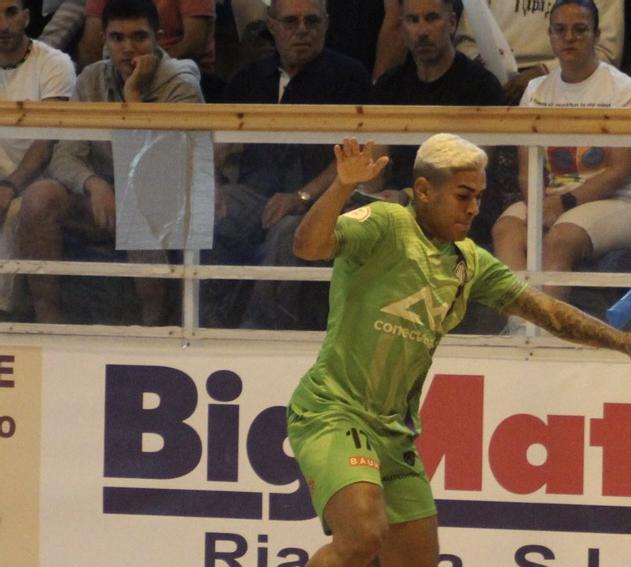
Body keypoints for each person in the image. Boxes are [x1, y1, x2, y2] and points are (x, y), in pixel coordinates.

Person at [242, 134, 631, 567]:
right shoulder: (384, 223)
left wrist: (626, 339)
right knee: (362, 532)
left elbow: (544, 310)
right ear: (423, 190)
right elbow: (308, 244)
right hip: (332, 410)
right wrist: (342, 185)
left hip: (393, 432)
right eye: (462, 195)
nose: (473, 208)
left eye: (479, 196)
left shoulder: (468, 263)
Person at [18, 0, 202, 325]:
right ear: (103, 38)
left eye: (139, 37)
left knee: (139, 206)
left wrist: (133, 99)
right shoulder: (90, 79)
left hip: (166, 203)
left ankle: (152, 327)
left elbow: (163, 170)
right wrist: (94, 183)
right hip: (105, 201)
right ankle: (49, 323)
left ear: (158, 38)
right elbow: (65, 154)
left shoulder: (181, 81)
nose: (128, 48)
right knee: (39, 197)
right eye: (117, 38)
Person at [209, 0, 371, 329]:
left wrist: (301, 197)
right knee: (206, 213)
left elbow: (357, 154)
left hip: (322, 201)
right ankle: (201, 326)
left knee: (288, 232)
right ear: (272, 25)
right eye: (291, 21)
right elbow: (218, 146)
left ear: (326, 24)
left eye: (311, 21)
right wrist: (210, 187)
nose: (301, 30)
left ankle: (256, 334)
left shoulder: (349, 77)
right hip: (256, 196)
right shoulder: (248, 79)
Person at [490, 0, 631, 300]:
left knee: (560, 238)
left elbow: (621, 171)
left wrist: (563, 204)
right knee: (506, 229)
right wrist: (538, 205)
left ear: (597, 35)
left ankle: (547, 332)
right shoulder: (535, 90)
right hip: (550, 199)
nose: (569, 38)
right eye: (560, 30)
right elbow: (527, 169)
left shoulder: (624, 90)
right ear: (549, 36)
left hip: (619, 202)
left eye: (580, 30)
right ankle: (519, 326)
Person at [368, 0, 504, 204]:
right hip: (394, 208)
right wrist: (367, 197)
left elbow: (474, 169)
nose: (422, 31)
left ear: (451, 23)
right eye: (413, 20)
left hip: (460, 207)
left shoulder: (481, 86)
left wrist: (408, 196)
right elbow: (372, 170)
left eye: (431, 18)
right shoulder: (388, 86)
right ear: (402, 27)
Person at [0, 0, 74, 321]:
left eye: (10, 12)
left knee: (18, 209)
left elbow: (48, 139)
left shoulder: (55, 63)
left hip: (38, 180)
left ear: (27, 17)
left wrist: (9, 185)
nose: (2, 24)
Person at [452, 0, 624, 104]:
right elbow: (465, 43)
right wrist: (488, 73)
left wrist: (544, 73)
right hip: (492, 80)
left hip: (567, 80)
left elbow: (606, 52)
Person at [78, 0, 216, 73]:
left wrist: (151, 66)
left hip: (176, 70)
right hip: (116, 70)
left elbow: (194, 42)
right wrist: (99, 78)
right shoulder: (94, 79)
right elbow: (91, 42)